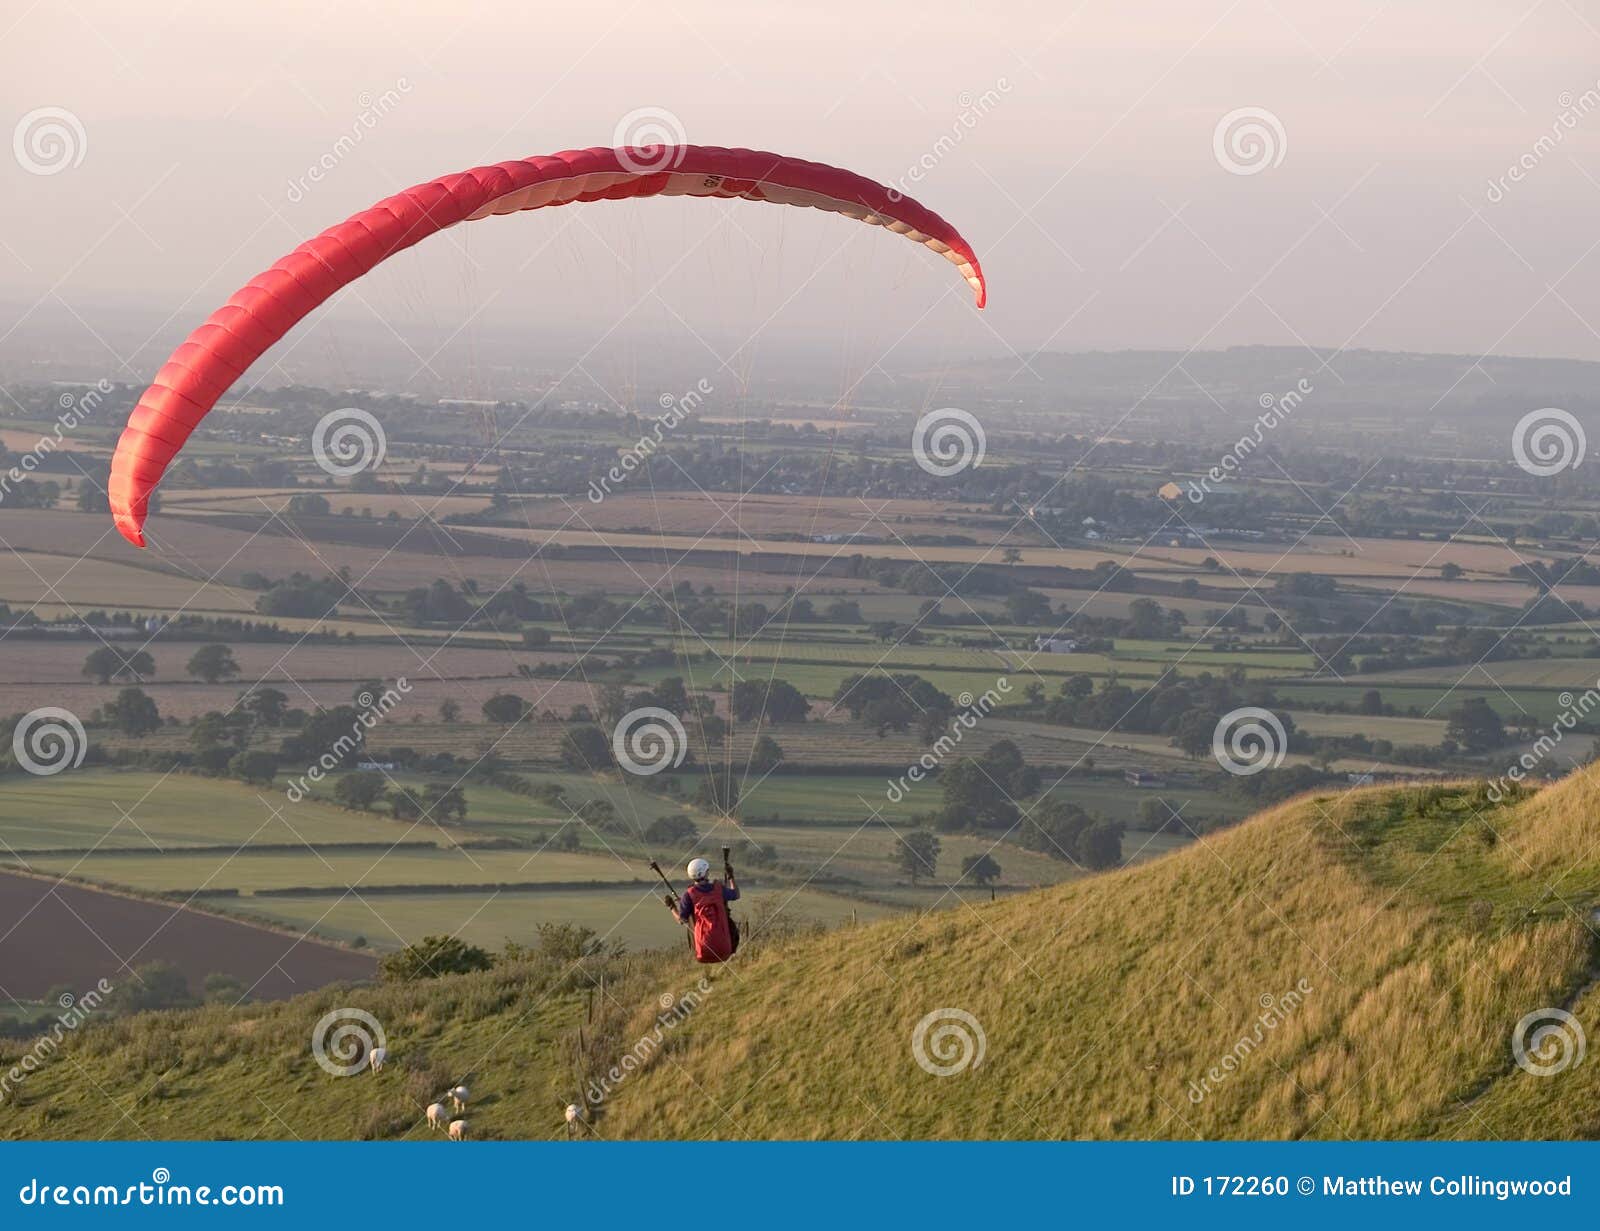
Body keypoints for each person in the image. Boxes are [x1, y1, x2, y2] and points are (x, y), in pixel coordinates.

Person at [667, 857, 740, 963]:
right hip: (725, 949)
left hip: (703, 952)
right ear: (705, 873)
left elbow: (681, 920)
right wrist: (731, 876)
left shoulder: (688, 895)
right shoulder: (718, 889)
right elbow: (736, 894)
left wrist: (672, 907)